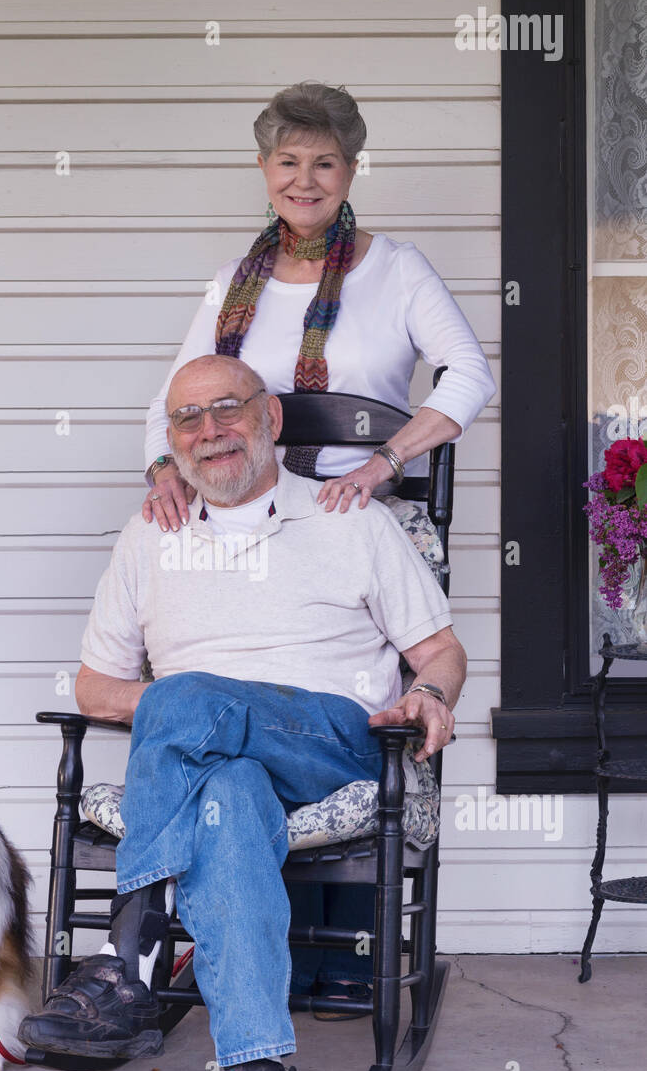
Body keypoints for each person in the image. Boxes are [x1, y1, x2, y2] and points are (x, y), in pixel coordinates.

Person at [19, 356, 467, 1071]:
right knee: (225, 794)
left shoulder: (352, 517)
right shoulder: (150, 535)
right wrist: (178, 709)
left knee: (184, 699)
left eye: (228, 409)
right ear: (173, 443)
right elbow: (92, 684)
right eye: (188, 419)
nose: (210, 431)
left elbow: (440, 652)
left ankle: (131, 962)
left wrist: (431, 695)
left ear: (272, 421)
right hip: (218, 766)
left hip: (332, 741)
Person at [139, 81, 494, 1013]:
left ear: (350, 173)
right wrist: (164, 473)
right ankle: (234, 944)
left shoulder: (397, 269)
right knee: (224, 730)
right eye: (288, 162)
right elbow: (174, 397)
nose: (305, 179)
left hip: (340, 514)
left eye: (324, 162)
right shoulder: (233, 282)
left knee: (212, 699)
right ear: (264, 174)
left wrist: (385, 461)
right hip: (239, 504)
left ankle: (130, 946)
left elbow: (469, 374)